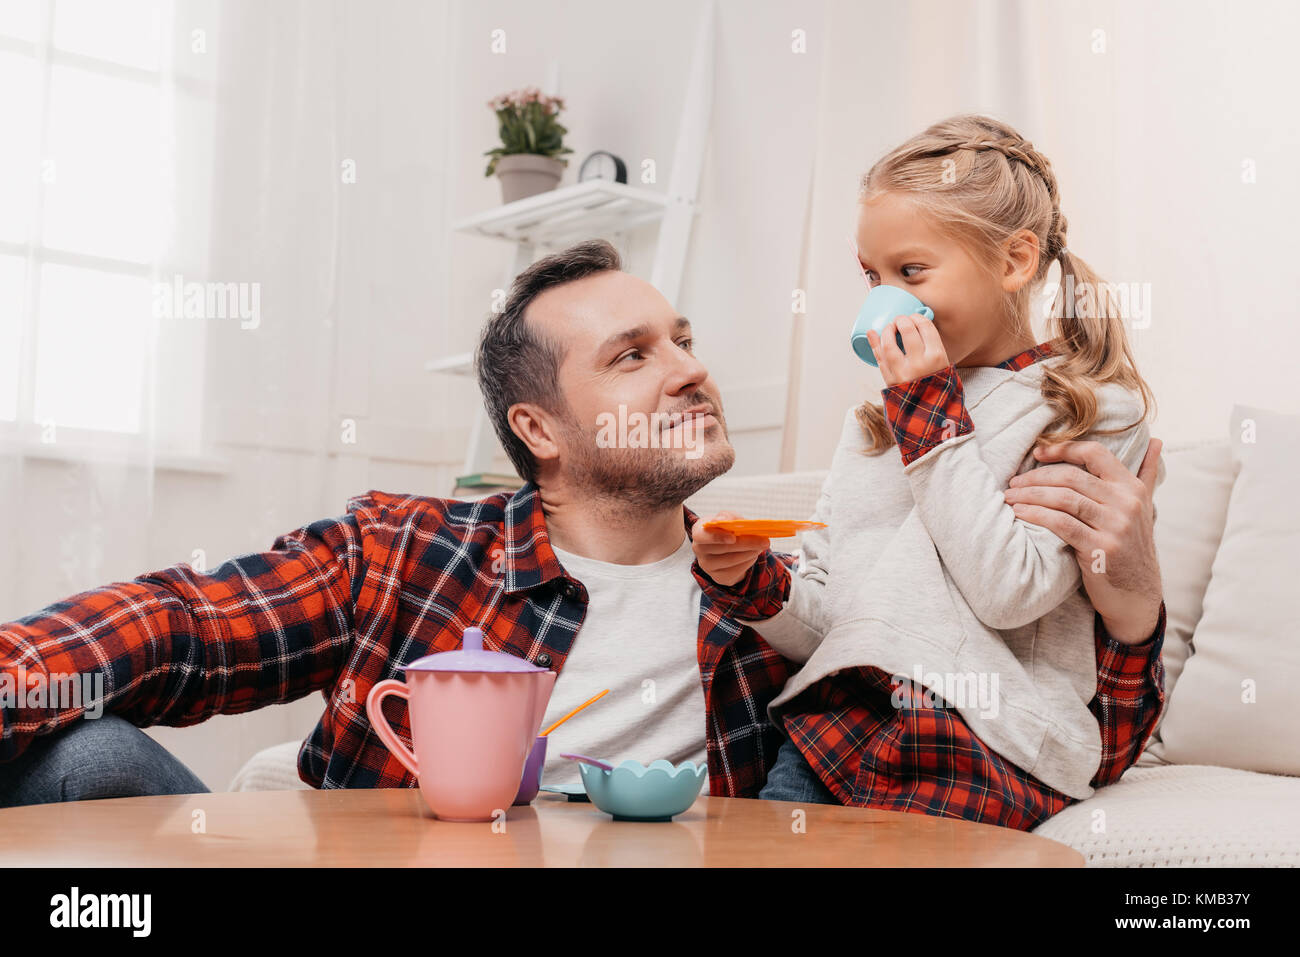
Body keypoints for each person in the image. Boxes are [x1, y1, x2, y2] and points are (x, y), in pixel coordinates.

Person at [0, 237, 1166, 816]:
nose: (691, 372)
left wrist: (1130, 606)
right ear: (539, 429)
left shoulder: (779, 589)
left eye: (684, 339)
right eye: (633, 355)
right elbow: (177, 623)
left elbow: (1048, 744)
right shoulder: (409, 548)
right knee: (86, 752)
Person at [692, 114, 1166, 830]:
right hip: (835, 731)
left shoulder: (1086, 407)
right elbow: (838, 625)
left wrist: (929, 413)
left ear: (1014, 262)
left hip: (980, 743)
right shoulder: (876, 424)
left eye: (911, 272)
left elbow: (1011, 591)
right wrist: (753, 582)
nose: (887, 297)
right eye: (873, 276)